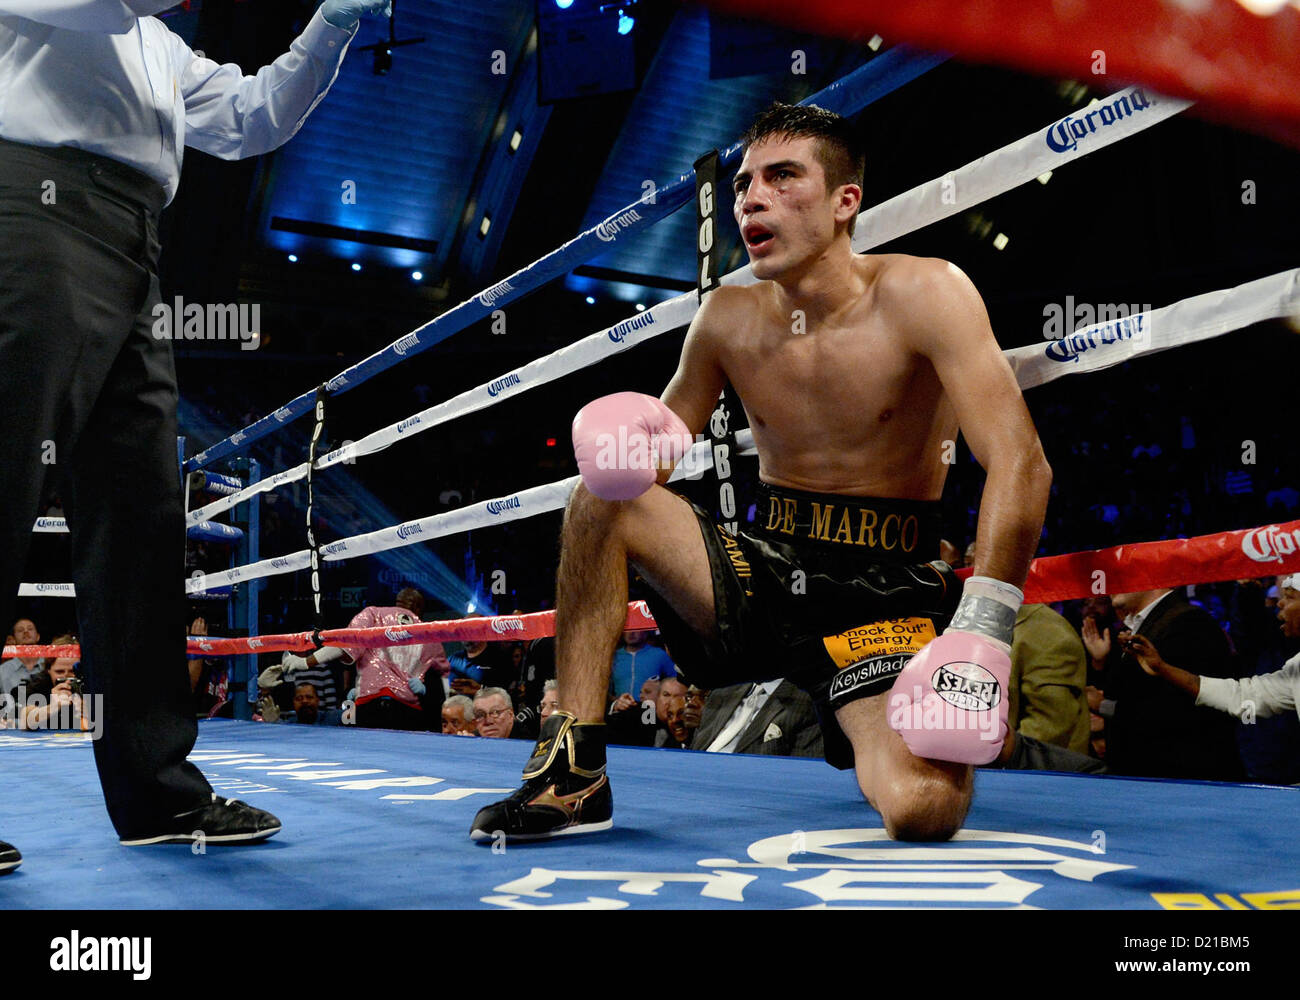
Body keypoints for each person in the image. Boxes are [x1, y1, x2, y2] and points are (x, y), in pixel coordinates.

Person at [472, 102, 1051, 843]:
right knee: (602, 497)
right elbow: (660, 446)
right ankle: (574, 771)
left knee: (921, 811)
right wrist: (626, 443)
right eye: (745, 183)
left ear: (846, 201)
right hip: (764, 567)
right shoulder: (727, 316)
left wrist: (984, 628)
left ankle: (914, 715)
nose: (752, 197)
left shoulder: (926, 293)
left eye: (783, 177)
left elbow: (1019, 461)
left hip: (883, 594)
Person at [0, 0, 393, 860]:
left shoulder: (160, 44)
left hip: (136, 247)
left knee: (141, 531)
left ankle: (157, 796)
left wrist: (333, 20)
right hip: (31, 215)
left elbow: (255, 119)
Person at [1130, 574, 1299, 735]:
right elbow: (1243, 697)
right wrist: (1163, 668)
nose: (1280, 603)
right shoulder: (1296, 669)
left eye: (1290, 597)